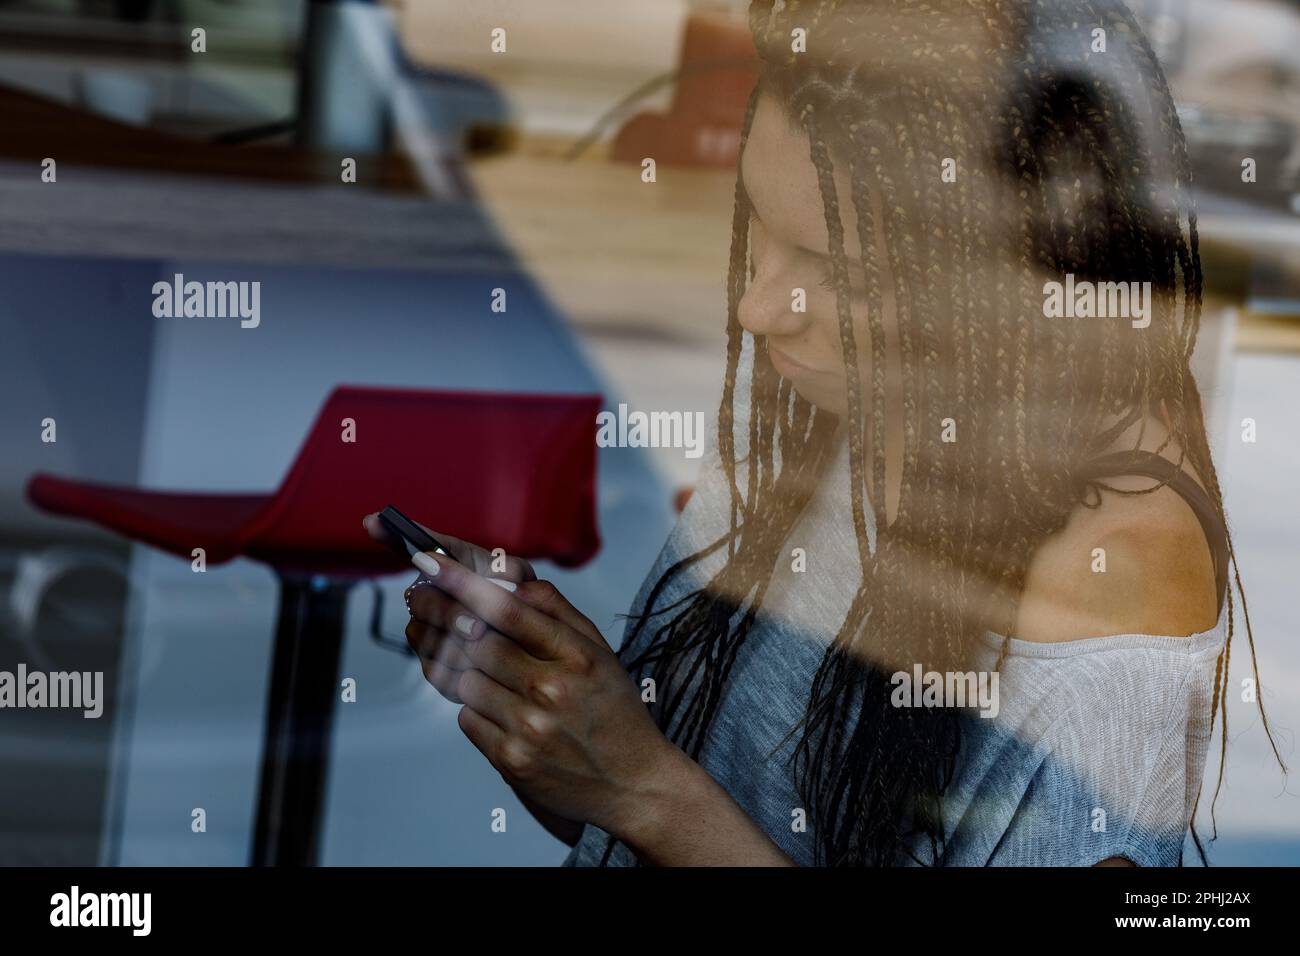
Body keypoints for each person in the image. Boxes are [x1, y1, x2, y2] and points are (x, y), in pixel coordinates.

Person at [363, 0, 1285, 866]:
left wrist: (647, 791)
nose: (760, 308)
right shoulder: (823, 402)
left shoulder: (1104, 584)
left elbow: (655, 802)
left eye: (833, 266)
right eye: (757, 232)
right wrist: (564, 717)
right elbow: (616, 814)